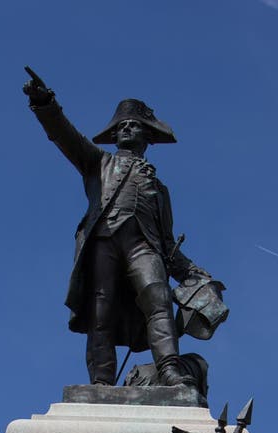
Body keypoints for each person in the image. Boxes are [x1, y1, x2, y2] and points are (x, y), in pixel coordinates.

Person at [23, 75, 212, 387]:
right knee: (101, 309)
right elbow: (66, 136)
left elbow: (167, 244)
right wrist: (45, 105)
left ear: (147, 136)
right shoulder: (98, 162)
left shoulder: (160, 190)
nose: (126, 129)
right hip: (104, 240)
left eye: (134, 125)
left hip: (144, 246)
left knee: (159, 298)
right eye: (122, 125)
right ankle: (101, 381)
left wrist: (192, 272)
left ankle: (169, 369)